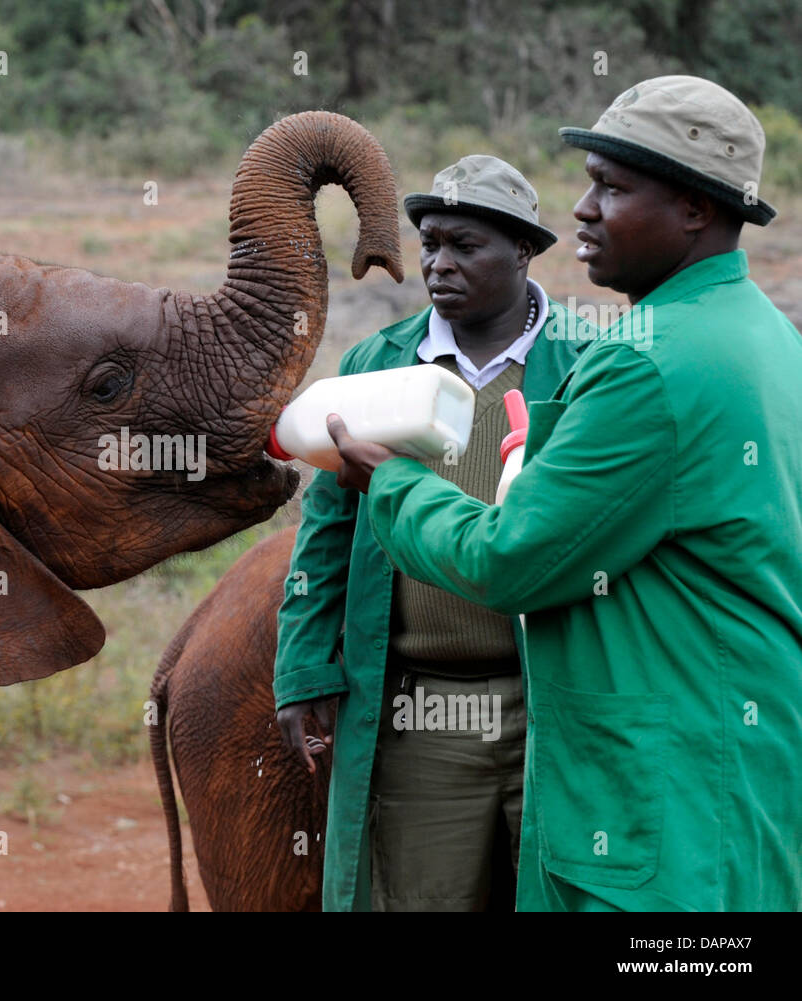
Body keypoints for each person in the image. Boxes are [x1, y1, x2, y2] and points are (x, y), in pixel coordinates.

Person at [330, 75, 802, 910]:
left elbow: (510, 558)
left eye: (612, 188)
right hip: (741, 756)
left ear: (695, 208)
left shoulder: (642, 362)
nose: (583, 210)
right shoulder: (766, 336)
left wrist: (394, 484)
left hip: (664, 797)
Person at [273, 155, 594, 911]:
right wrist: (304, 669)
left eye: (465, 246)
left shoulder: (585, 366)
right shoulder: (379, 364)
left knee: (561, 890)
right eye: (429, 243)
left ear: (523, 249)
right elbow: (326, 529)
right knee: (420, 895)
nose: (438, 265)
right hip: (421, 708)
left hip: (552, 699)